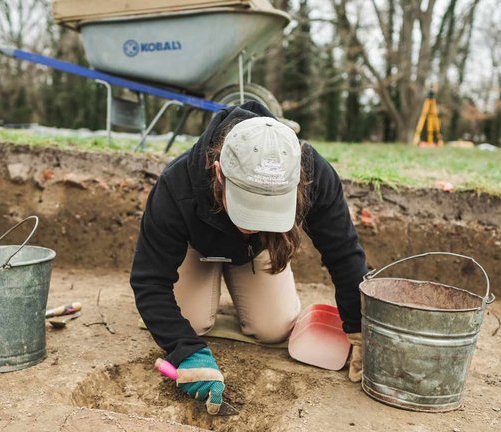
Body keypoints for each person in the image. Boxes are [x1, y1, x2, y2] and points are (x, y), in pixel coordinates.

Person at [130, 102, 368, 411]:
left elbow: (344, 254)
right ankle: (205, 289)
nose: (254, 223)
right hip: (197, 249)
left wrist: (360, 329)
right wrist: (187, 351)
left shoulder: (313, 172)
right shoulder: (177, 185)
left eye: (268, 208)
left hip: (260, 249)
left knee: (274, 328)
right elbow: (149, 280)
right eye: (248, 207)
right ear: (219, 174)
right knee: (194, 323)